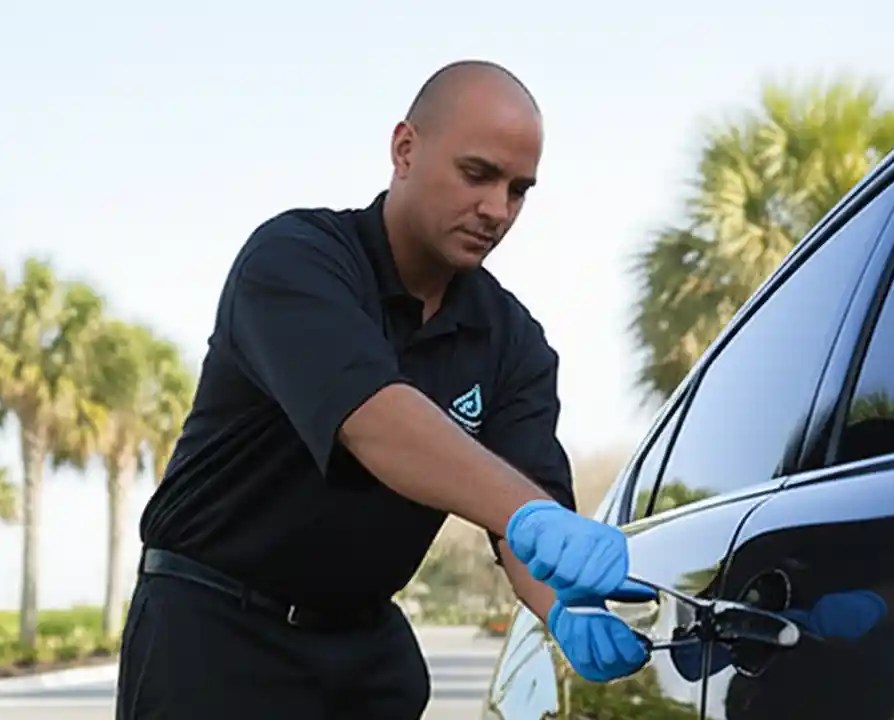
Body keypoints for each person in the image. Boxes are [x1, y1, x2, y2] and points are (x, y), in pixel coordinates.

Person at [114, 59, 651, 719]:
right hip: (215, 636)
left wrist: (562, 606)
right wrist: (529, 514)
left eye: (519, 190)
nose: (496, 210)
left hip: (361, 652)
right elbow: (376, 421)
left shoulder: (513, 342)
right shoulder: (296, 260)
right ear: (405, 149)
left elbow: (525, 523)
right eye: (477, 174)